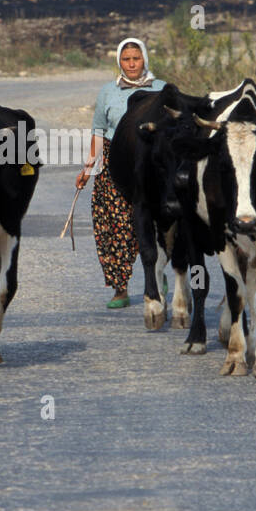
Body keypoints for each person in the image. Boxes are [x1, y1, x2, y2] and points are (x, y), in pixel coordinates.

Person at [75, 38, 166, 308]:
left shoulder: (161, 89)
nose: (131, 64)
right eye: (126, 59)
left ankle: (159, 275)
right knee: (114, 227)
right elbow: (99, 131)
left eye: (136, 58)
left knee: (156, 221)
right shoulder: (108, 92)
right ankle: (120, 288)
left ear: (144, 59)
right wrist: (88, 168)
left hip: (153, 165)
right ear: (119, 62)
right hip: (116, 164)